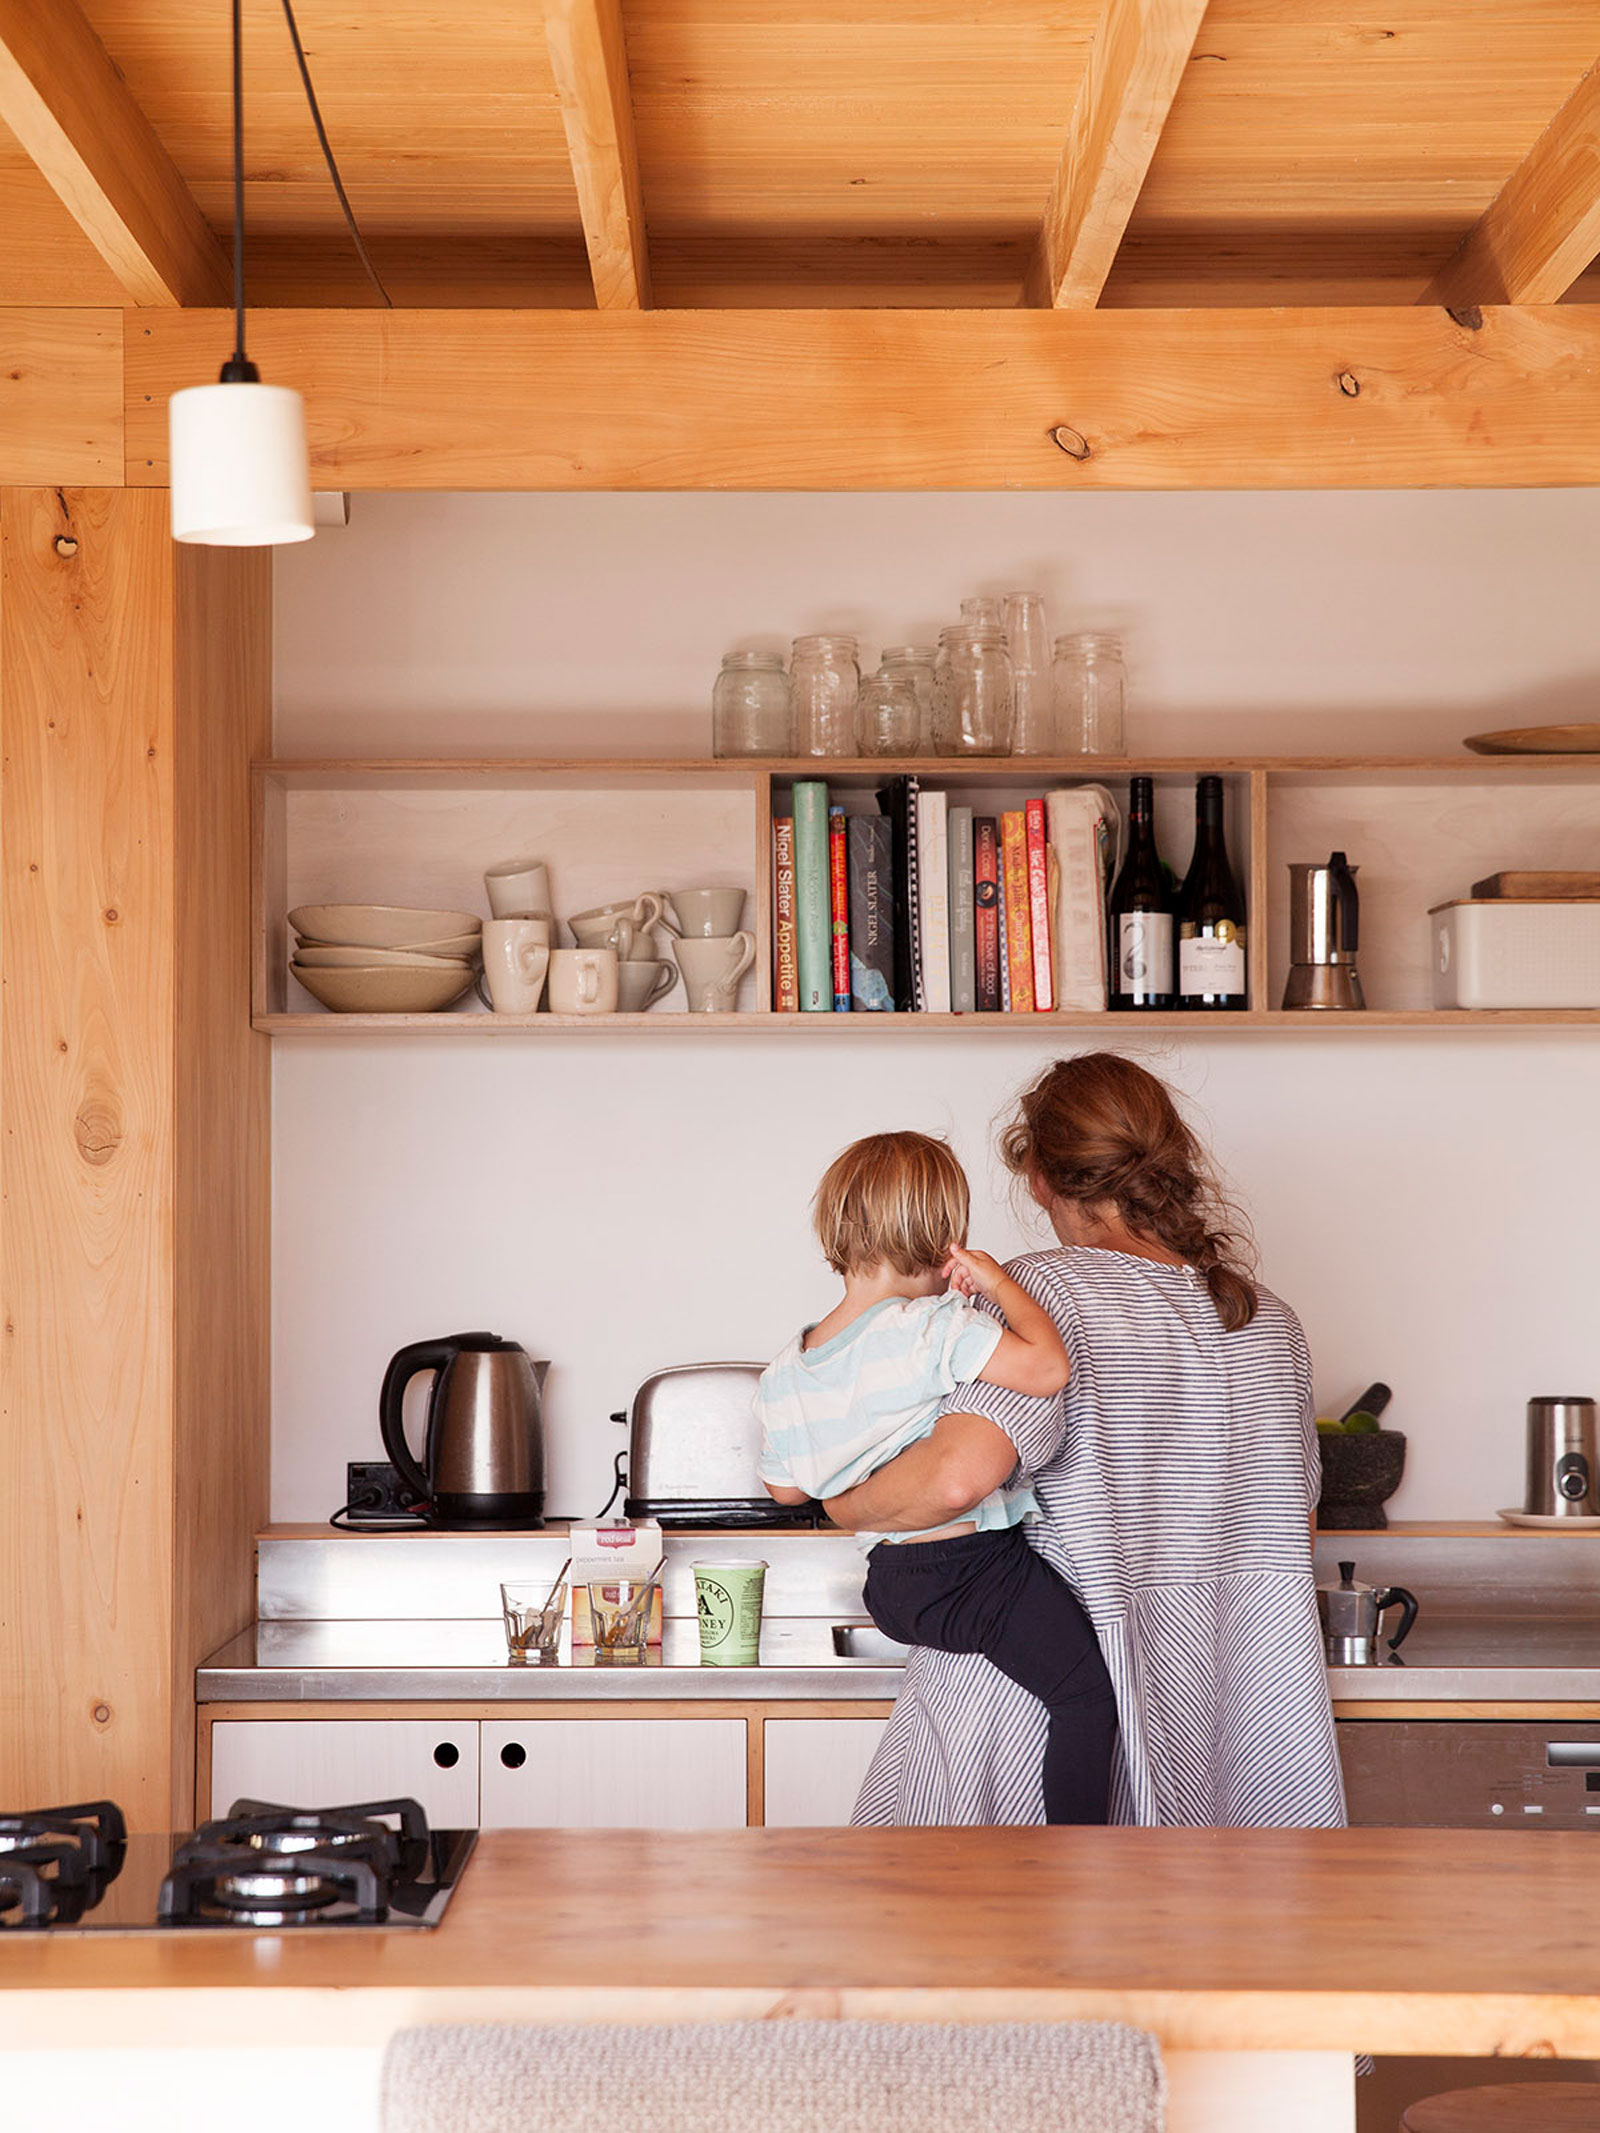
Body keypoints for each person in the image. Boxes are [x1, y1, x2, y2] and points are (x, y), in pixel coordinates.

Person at [824, 1055, 1345, 1831]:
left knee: (973, 1910)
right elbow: (1292, 1533)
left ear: (1039, 1177)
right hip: (1220, 1715)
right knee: (1194, 1914)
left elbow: (958, 1477)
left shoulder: (1042, 1293)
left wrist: (843, 1504)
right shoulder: (1270, 1321)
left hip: (1024, 1713)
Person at [753, 1130, 1119, 1825]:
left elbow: (789, 1491)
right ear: (942, 1237)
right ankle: (1077, 1857)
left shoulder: (784, 1372)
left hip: (890, 1584)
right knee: (1085, 1696)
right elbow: (1047, 1369)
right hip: (974, 1570)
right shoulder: (931, 1328)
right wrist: (999, 1282)